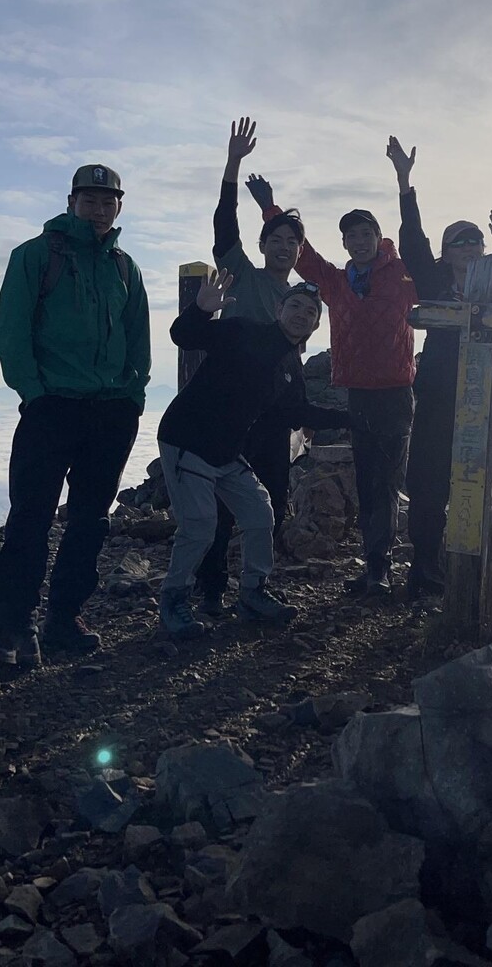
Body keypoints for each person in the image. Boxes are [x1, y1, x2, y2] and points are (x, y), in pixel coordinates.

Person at [0, 163, 150, 667]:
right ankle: (15, 629)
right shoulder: (34, 256)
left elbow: (138, 338)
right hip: (51, 409)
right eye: (90, 200)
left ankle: (63, 620)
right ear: (72, 201)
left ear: (120, 205)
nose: (99, 210)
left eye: (108, 201)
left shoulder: (124, 266)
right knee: (30, 519)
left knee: (90, 522)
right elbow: (11, 332)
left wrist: (132, 398)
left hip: (111, 413)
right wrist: (34, 394)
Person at [389, 130, 492, 601]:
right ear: (446, 251)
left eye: (475, 240)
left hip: (486, 388)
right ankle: (425, 567)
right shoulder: (432, 280)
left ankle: (470, 567)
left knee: (477, 477)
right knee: (430, 479)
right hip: (437, 389)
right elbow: (411, 241)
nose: (471, 247)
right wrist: (404, 182)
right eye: (460, 241)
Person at [156, 269, 348, 637]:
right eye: (295, 306)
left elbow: (296, 412)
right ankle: (174, 599)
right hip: (187, 439)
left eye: (310, 313)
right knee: (200, 525)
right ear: (279, 308)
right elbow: (184, 336)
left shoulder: (290, 362)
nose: (301, 315)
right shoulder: (243, 330)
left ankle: (252, 592)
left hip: (227, 452)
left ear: (315, 325)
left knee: (261, 514)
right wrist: (200, 309)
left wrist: (354, 420)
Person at [272, 174, 417, 598]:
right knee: (368, 481)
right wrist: (273, 209)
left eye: (365, 233)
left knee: (385, 484)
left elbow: (423, 257)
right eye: (351, 236)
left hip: (394, 395)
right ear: (345, 242)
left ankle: (380, 571)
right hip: (357, 394)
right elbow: (305, 257)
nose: (359, 241)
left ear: (378, 237)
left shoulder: (401, 276)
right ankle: (374, 566)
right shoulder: (337, 283)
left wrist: (405, 185)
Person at [193, 118, 310, 614]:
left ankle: (256, 587)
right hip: (231, 411)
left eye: (291, 243)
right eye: (276, 240)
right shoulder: (242, 274)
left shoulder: (302, 299)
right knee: (220, 504)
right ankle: (211, 590)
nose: (283, 248)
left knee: (273, 502)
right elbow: (224, 227)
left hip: (275, 415)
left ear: (298, 252)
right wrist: (232, 165)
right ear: (263, 247)